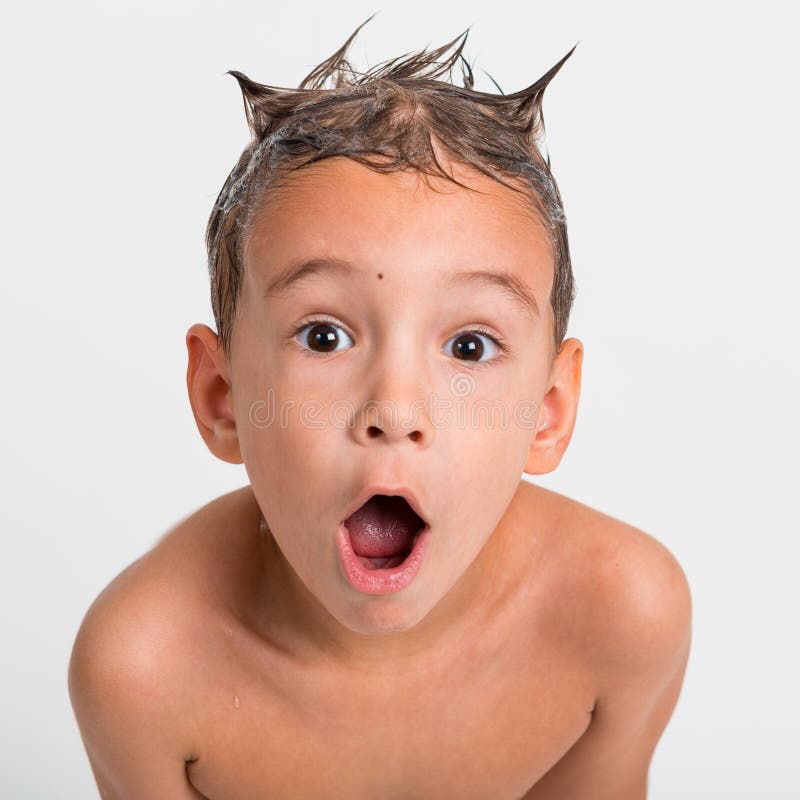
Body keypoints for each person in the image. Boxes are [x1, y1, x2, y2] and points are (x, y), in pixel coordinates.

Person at [68, 16, 692, 799]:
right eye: (323, 336)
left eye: (468, 347)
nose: (395, 410)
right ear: (222, 398)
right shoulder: (147, 669)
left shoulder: (618, 615)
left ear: (548, 411)